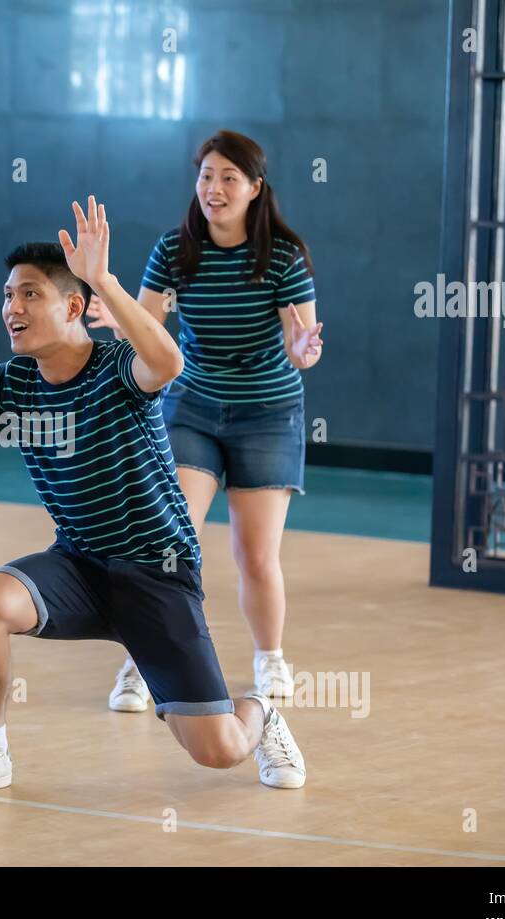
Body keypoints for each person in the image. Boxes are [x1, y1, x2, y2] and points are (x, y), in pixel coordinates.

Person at [0, 196, 306, 802]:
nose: (12, 307)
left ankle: (261, 715)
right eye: (8, 296)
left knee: (218, 751)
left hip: (156, 574)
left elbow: (167, 362)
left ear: (72, 306)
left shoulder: (116, 364)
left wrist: (104, 280)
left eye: (29, 294)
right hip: (79, 564)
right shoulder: (12, 382)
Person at [85, 131, 323, 715]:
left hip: (268, 411)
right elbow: (148, 329)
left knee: (255, 553)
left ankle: (270, 658)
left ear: (254, 189)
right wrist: (111, 311)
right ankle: (146, 662)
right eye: (206, 176)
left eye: (228, 179)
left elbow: (300, 345)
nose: (213, 189)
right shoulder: (175, 250)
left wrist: (303, 347)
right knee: (170, 541)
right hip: (191, 404)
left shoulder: (283, 257)